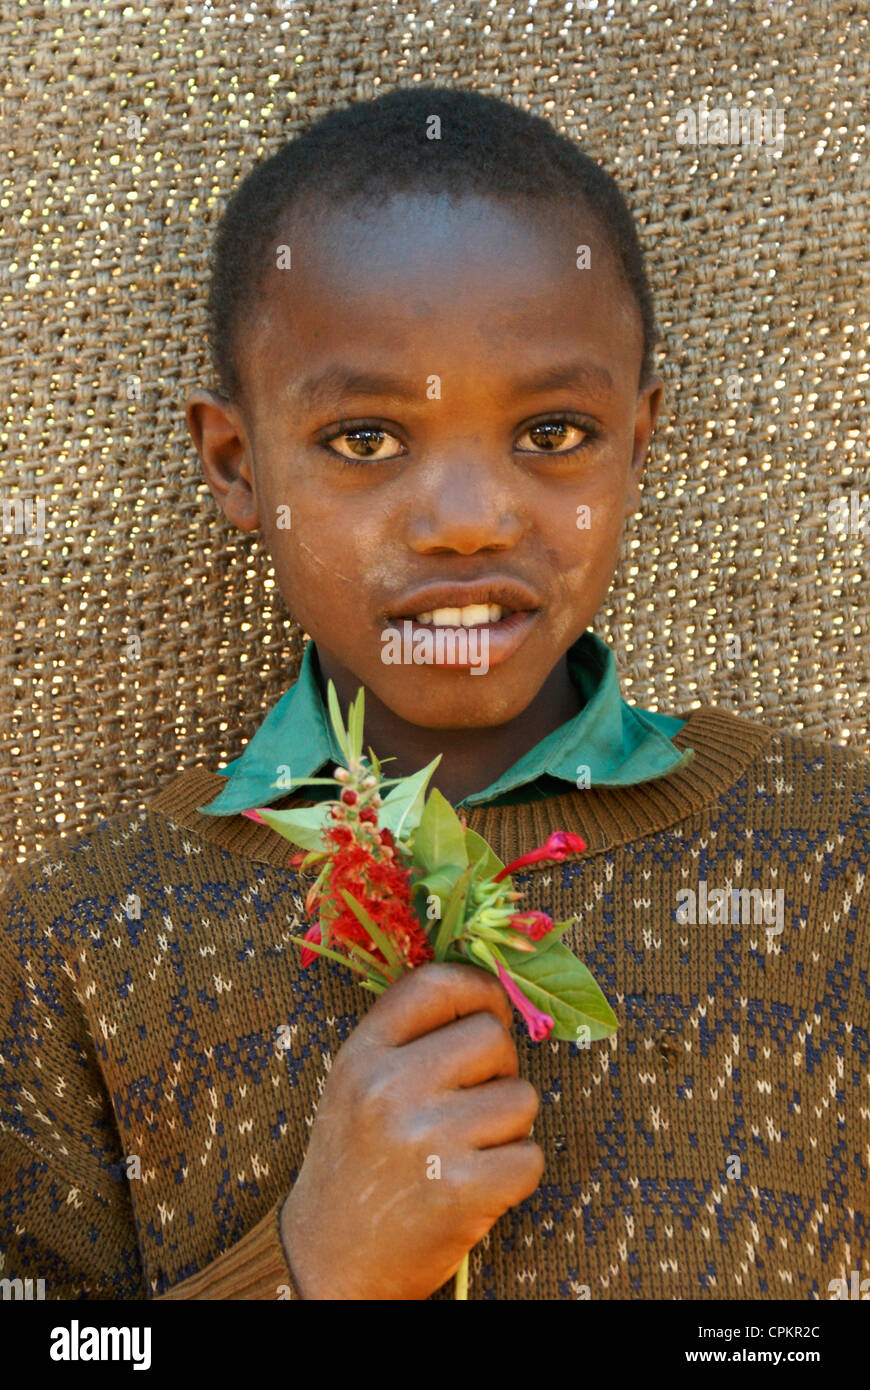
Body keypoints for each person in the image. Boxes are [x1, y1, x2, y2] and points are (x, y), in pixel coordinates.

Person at [1, 86, 867, 1301]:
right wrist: (309, 1268)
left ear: (639, 441)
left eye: (556, 430)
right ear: (237, 465)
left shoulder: (835, 864)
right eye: (365, 440)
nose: (467, 521)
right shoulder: (82, 949)